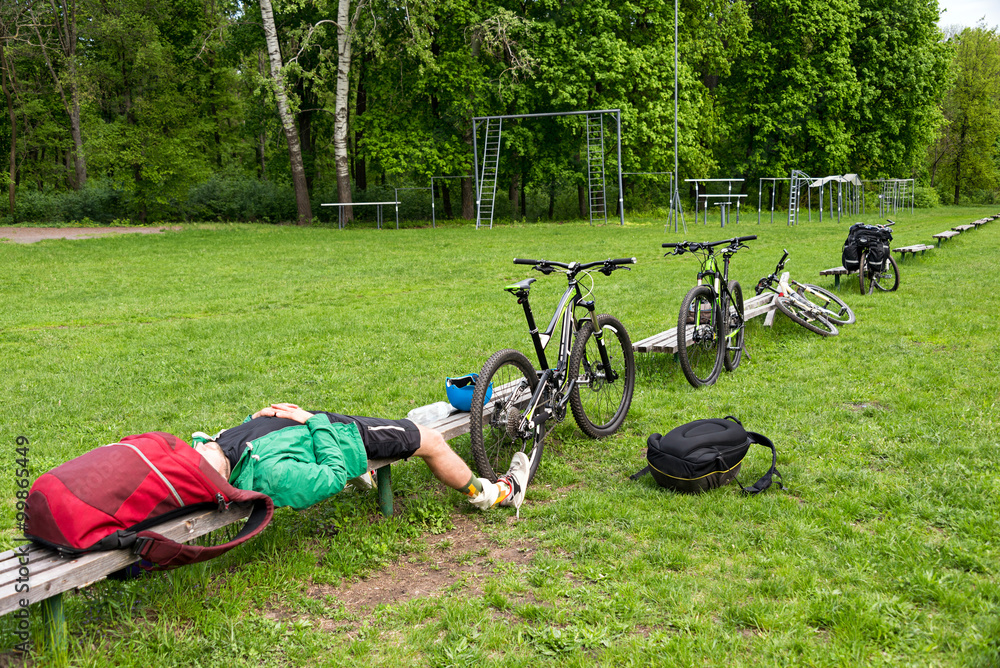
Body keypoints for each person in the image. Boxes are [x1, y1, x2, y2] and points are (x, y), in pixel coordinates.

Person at [192, 402, 528, 516]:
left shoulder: (219, 448)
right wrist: (313, 421)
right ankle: (491, 494)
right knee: (433, 440)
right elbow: (332, 476)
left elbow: (252, 440)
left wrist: (258, 418)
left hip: (324, 427)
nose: (197, 448)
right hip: (346, 439)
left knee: (414, 429)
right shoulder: (267, 473)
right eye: (197, 457)